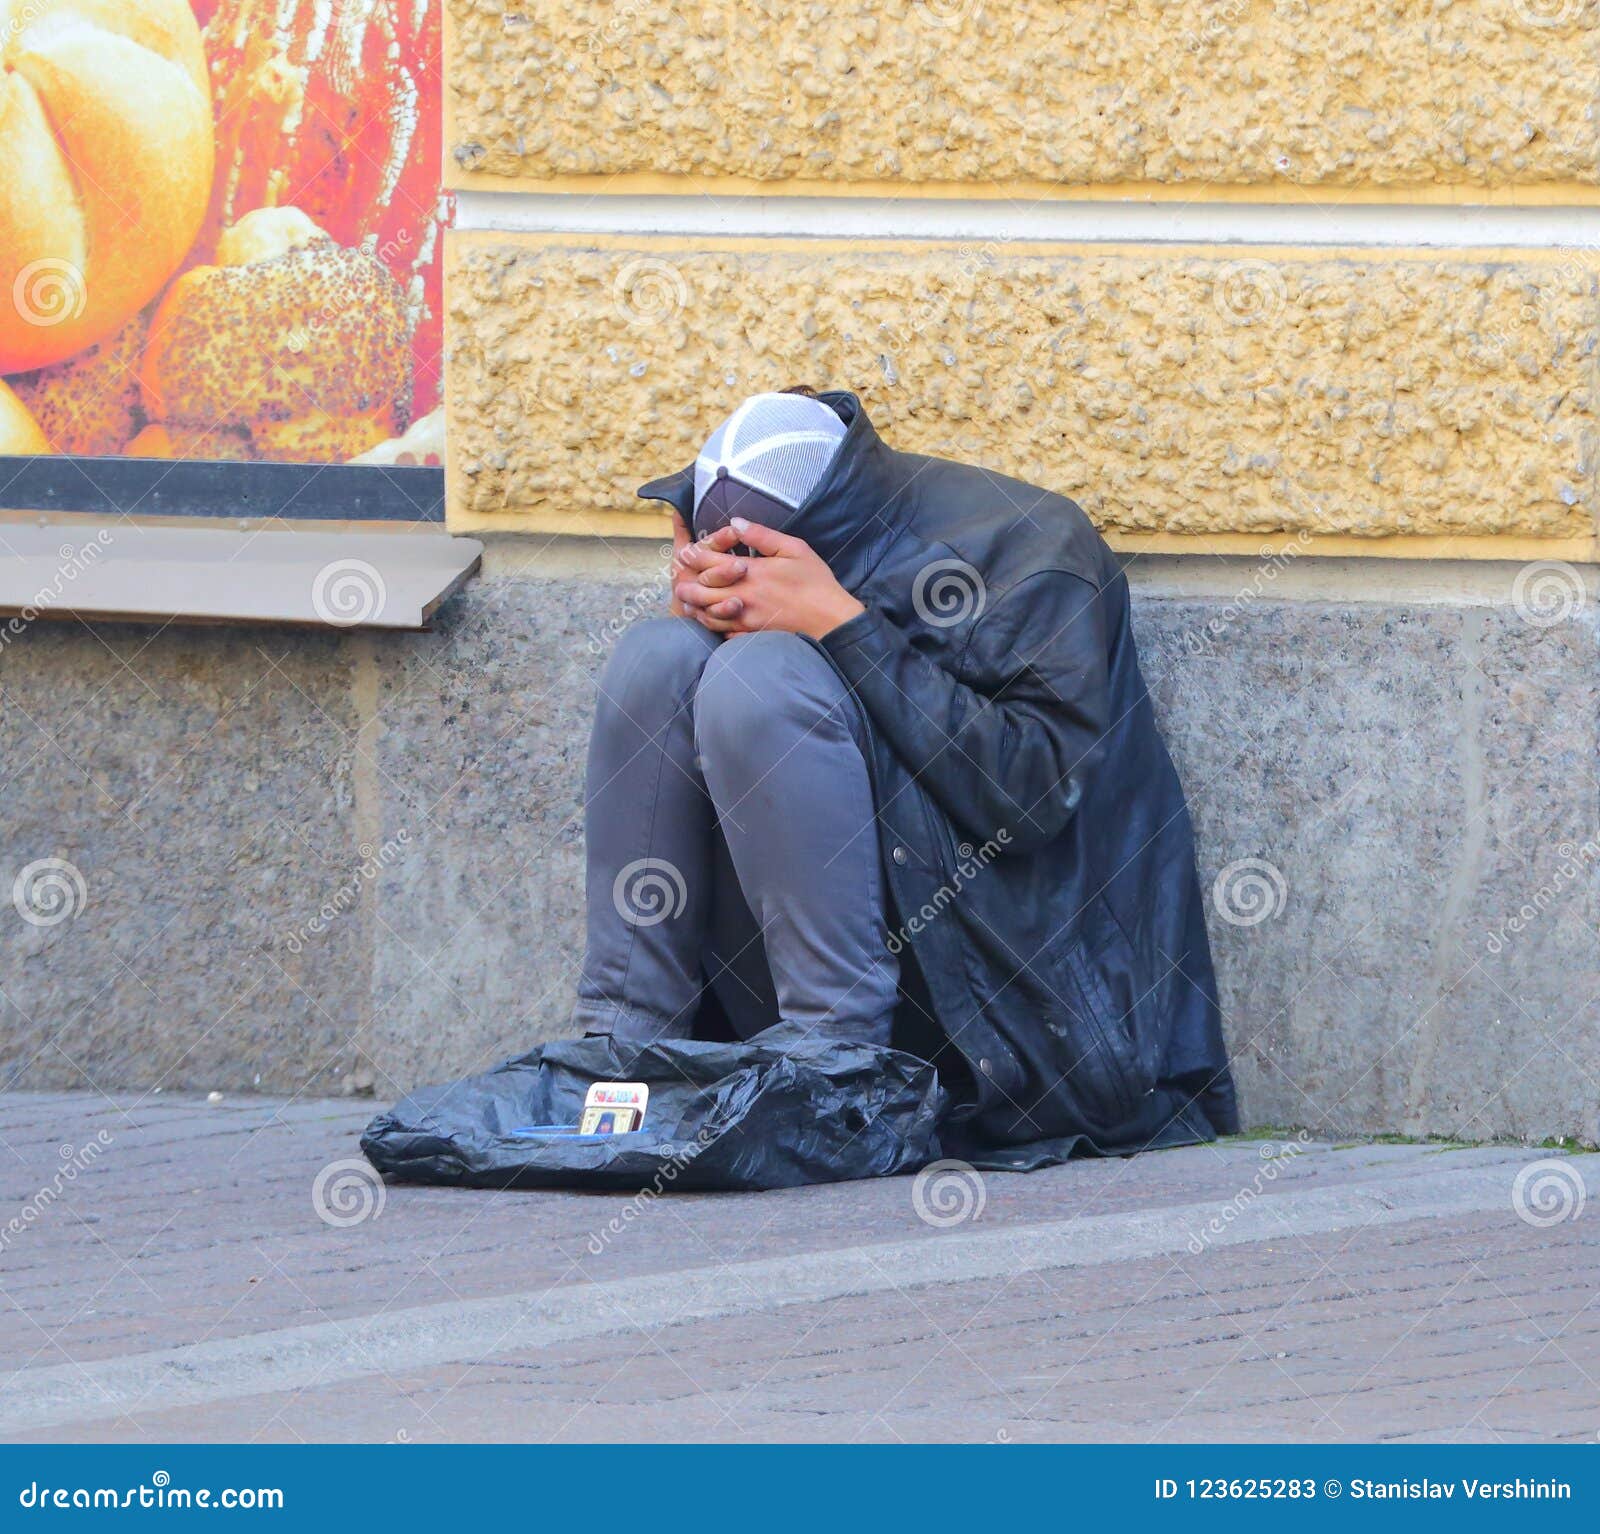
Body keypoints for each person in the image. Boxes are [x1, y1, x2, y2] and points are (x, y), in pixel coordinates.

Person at [573, 387, 1237, 1157]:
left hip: (1016, 1020)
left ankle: (840, 1078)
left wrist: (841, 624)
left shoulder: (1024, 546)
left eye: (748, 558)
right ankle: (622, 1065)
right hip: (788, 986)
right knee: (658, 659)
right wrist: (708, 617)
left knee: (759, 680)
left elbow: (1037, 797)